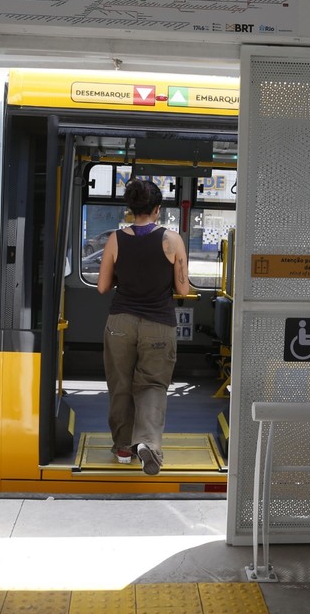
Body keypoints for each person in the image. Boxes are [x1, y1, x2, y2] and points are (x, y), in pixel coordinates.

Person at [97, 179, 189, 475]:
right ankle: (147, 443)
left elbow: (102, 287)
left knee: (120, 384)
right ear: (158, 209)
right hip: (159, 324)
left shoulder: (115, 239)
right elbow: (183, 290)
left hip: (120, 322)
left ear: (130, 209)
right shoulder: (172, 241)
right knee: (152, 385)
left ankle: (123, 448)